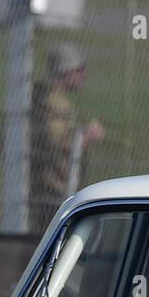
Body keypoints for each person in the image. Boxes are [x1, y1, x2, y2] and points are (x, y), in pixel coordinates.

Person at [29, 43, 104, 231]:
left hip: (46, 187)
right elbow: (54, 142)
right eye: (80, 70)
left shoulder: (43, 96)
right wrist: (85, 136)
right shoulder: (53, 103)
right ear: (67, 71)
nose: (84, 76)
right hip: (55, 190)